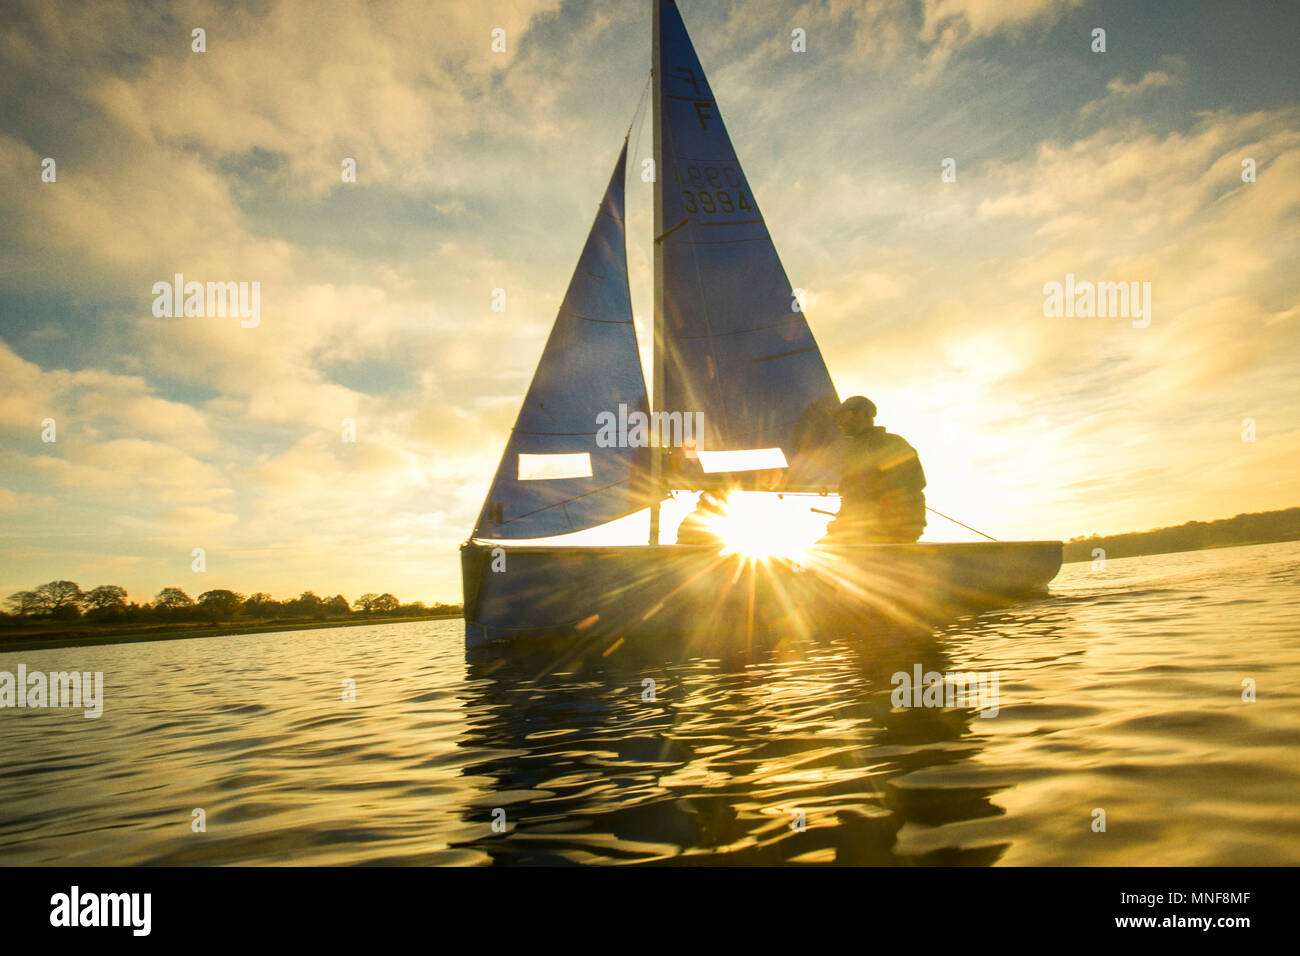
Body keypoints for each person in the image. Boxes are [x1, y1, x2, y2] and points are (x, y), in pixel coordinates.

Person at [824, 396, 926, 543]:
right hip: (865, 528)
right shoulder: (852, 452)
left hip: (893, 528)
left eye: (843, 415)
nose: (839, 421)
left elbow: (912, 484)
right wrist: (842, 521)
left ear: (862, 414)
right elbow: (851, 496)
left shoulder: (890, 443)